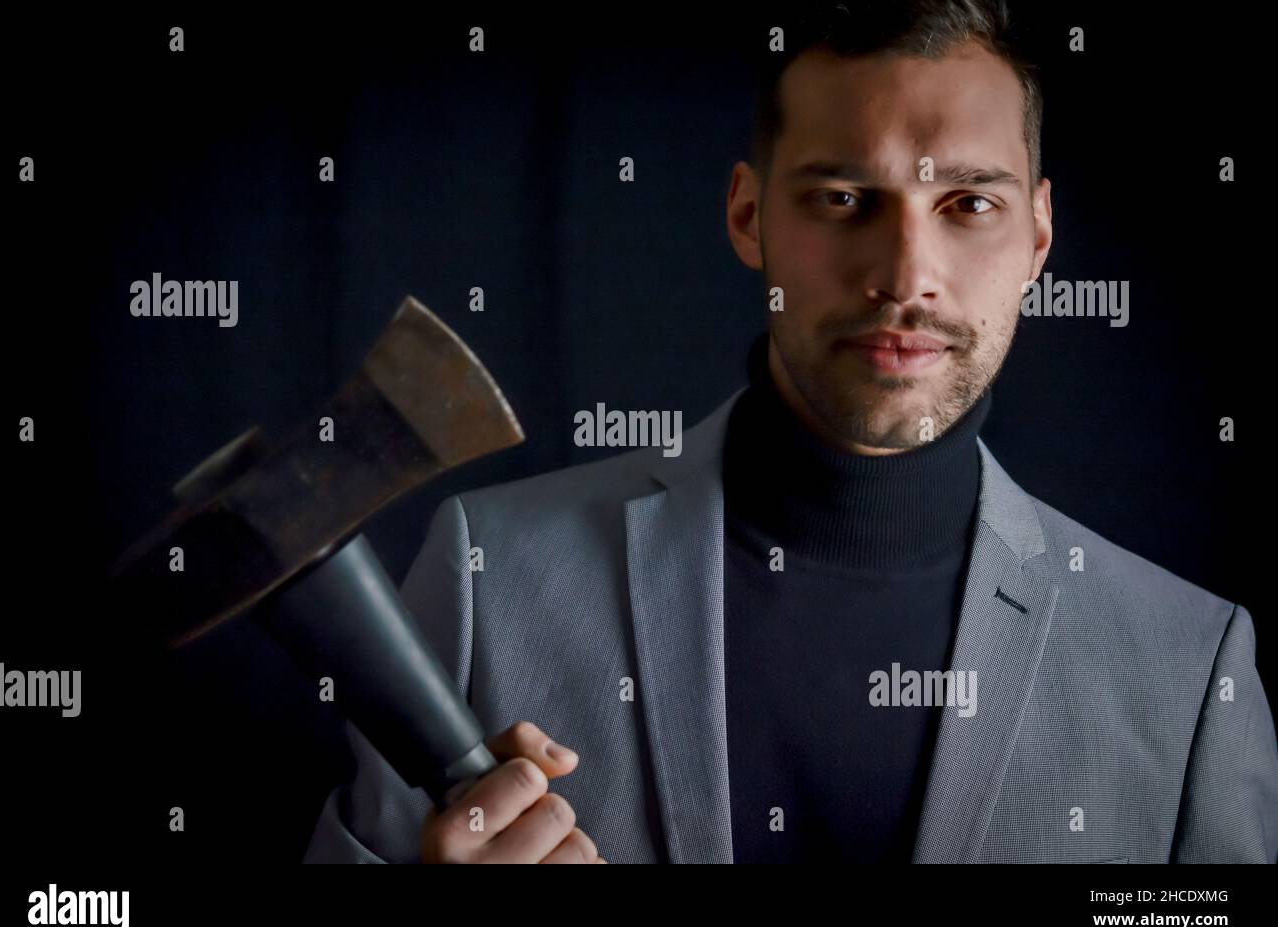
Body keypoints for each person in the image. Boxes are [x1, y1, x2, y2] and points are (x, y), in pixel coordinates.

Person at [305, 0, 1278, 863]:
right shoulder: (491, 574)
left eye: (968, 204)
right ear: (746, 215)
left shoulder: (1186, 668)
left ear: (1035, 238)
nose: (904, 275)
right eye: (844, 198)